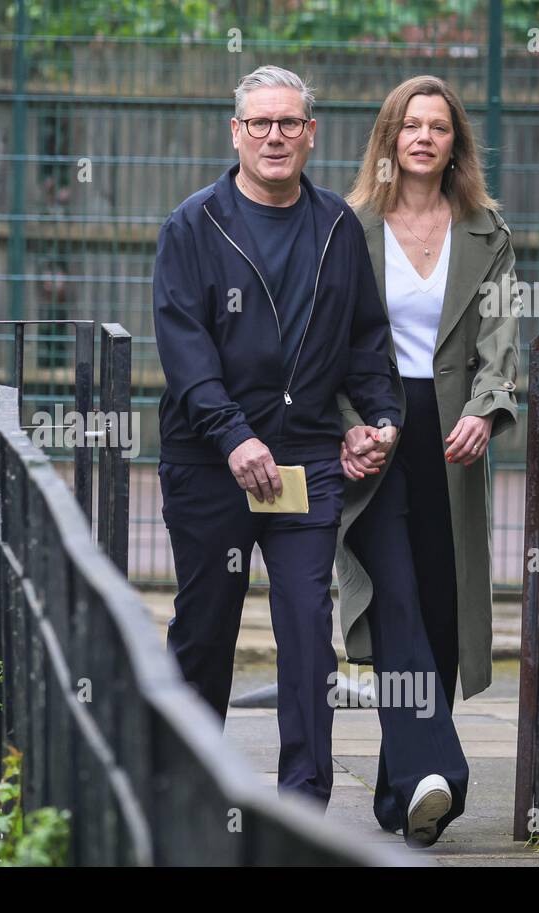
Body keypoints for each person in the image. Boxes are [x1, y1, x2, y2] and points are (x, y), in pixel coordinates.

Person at [152, 64, 401, 807]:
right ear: (236, 132)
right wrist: (232, 435)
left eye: (288, 122)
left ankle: (304, 805)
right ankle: (186, 793)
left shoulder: (337, 226)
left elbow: (365, 340)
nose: (274, 136)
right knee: (205, 629)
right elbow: (184, 348)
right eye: (259, 123)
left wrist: (378, 422)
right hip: (211, 463)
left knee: (305, 627)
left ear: (310, 134)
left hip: (303, 462)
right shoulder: (193, 225)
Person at [335, 75, 521, 845]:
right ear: (388, 138)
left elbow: (501, 342)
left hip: (448, 437)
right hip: (376, 435)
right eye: (409, 124)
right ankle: (442, 768)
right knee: (395, 596)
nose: (422, 136)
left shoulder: (487, 231)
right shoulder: (349, 227)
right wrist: (348, 426)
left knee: (440, 610)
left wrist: (485, 410)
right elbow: (329, 347)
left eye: (437, 127)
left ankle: (404, 794)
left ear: (454, 144)